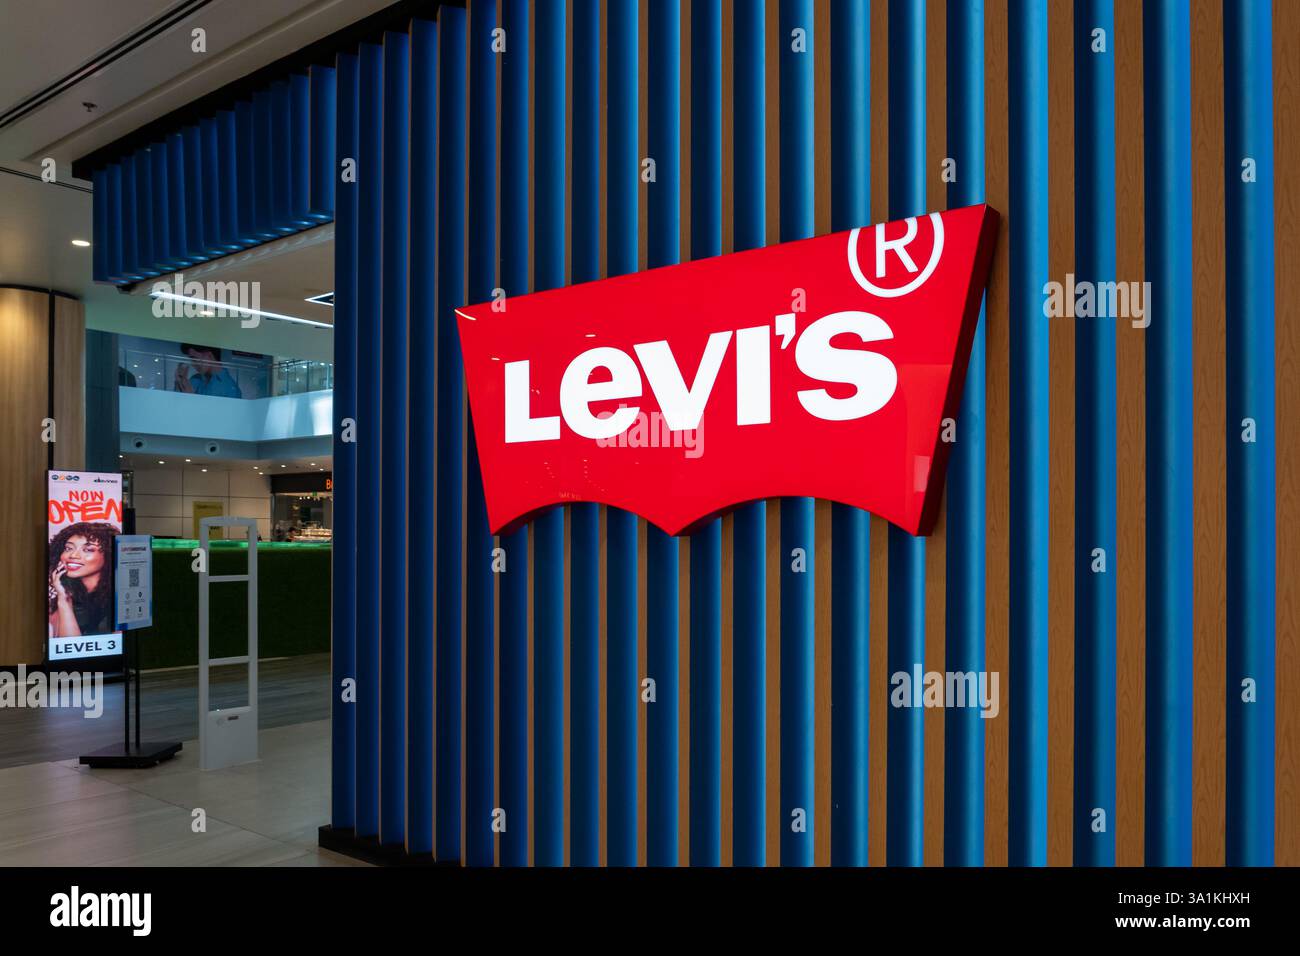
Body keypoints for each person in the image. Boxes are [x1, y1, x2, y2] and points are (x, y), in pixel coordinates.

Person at [48, 522, 117, 639]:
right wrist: (64, 599)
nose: (73, 555)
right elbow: (69, 646)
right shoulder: (60, 599)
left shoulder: (118, 598)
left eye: (88, 549)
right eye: (68, 548)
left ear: (109, 554)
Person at [174, 343, 242, 398]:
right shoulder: (195, 379)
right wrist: (179, 383)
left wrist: (191, 398)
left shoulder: (231, 389)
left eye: (194, 358)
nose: (193, 364)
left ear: (209, 355)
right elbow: (177, 404)